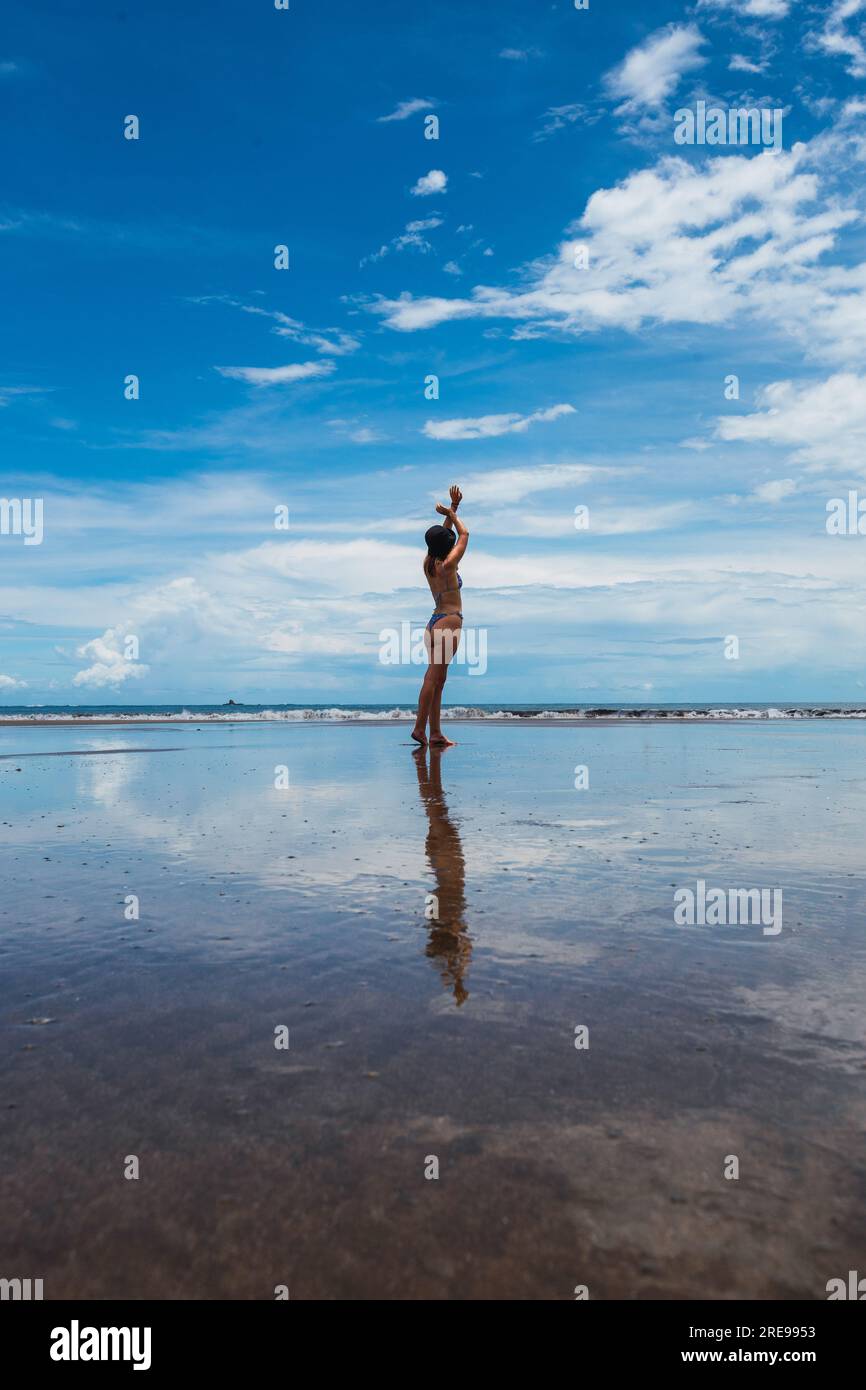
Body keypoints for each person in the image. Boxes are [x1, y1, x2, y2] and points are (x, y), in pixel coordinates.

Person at [411, 485, 469, 748]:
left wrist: (452, 508)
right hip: (448, 621)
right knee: (433, 678)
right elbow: (464, 533)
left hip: (433, 624)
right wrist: (452, 514)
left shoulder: (429, 563)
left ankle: (435, 733)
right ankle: (419, 729)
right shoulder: (448, 565)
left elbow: (444, 535)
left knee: (439, 679)